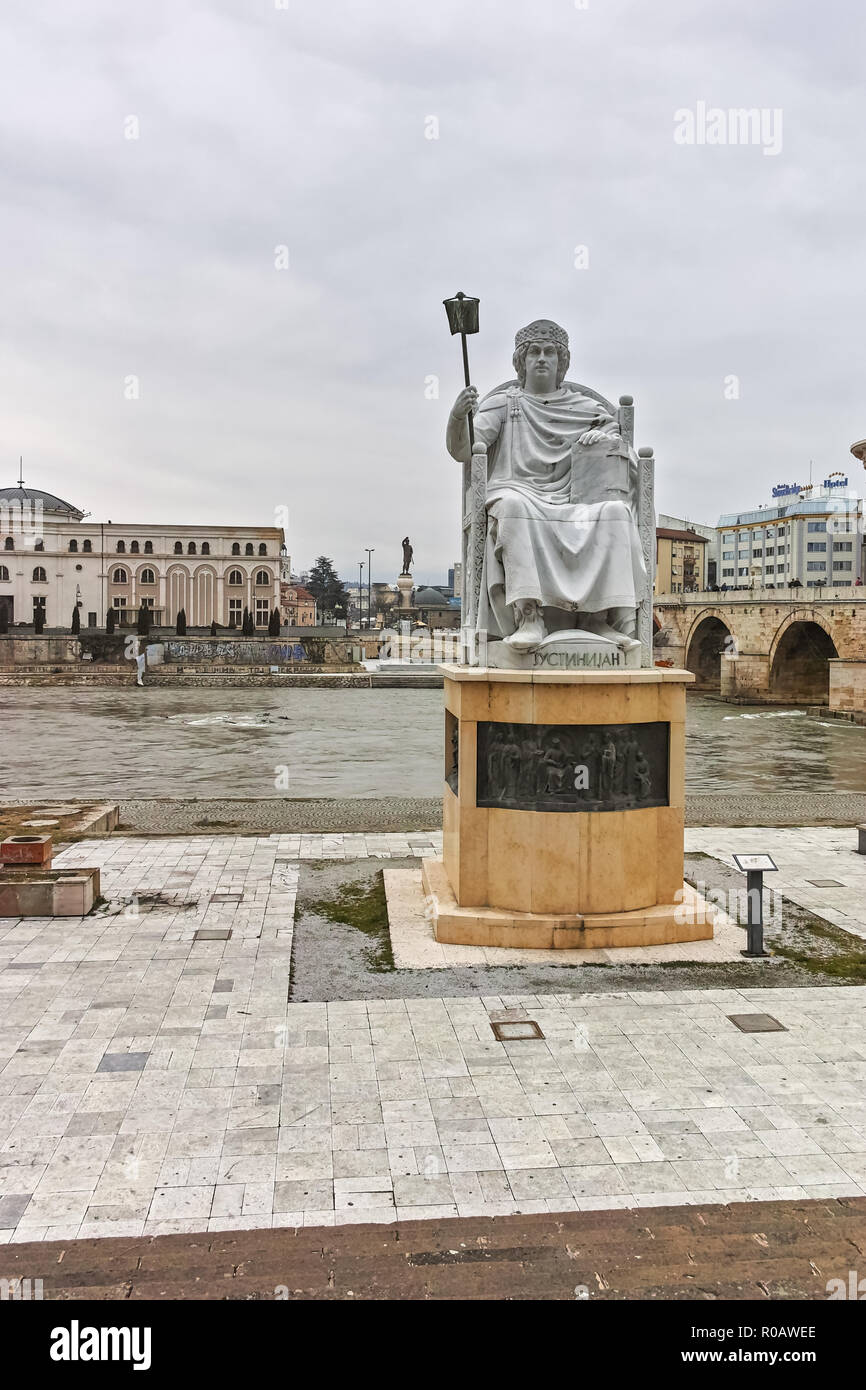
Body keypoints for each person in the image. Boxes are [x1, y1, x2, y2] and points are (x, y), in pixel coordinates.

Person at [446, 319, 646, 653]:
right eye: (534, 352)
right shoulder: (504, 404)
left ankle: (597, 618)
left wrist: (604, 437)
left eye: (550, 352)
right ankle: (529, 615)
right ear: (521, 361)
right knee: (513, 508)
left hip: (573, 501)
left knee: (614, 512)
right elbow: (464, 450)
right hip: (516, 490)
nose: (542, 358)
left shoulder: (585, 408)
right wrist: (456, 417)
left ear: (561, 362)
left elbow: (618, 445)